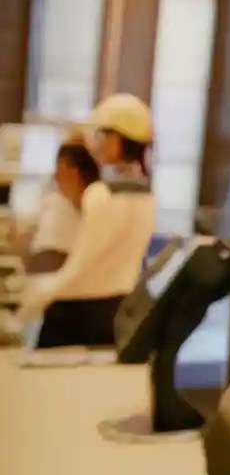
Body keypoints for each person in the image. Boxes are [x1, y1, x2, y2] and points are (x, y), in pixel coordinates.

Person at [18, 94, 157, 348]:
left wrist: (34, 295)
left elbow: (81, 267)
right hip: (117, 313)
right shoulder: (147, 196)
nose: (98, 144)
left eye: (102, 136)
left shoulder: (99, 194)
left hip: (75, 316)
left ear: (116, 139)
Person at [21, 135, 101, 273]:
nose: (56, 177)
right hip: (43, 269)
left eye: (60, 171)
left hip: (67, 271)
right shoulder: (53, 202)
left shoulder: (98, 205)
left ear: (74, 174)